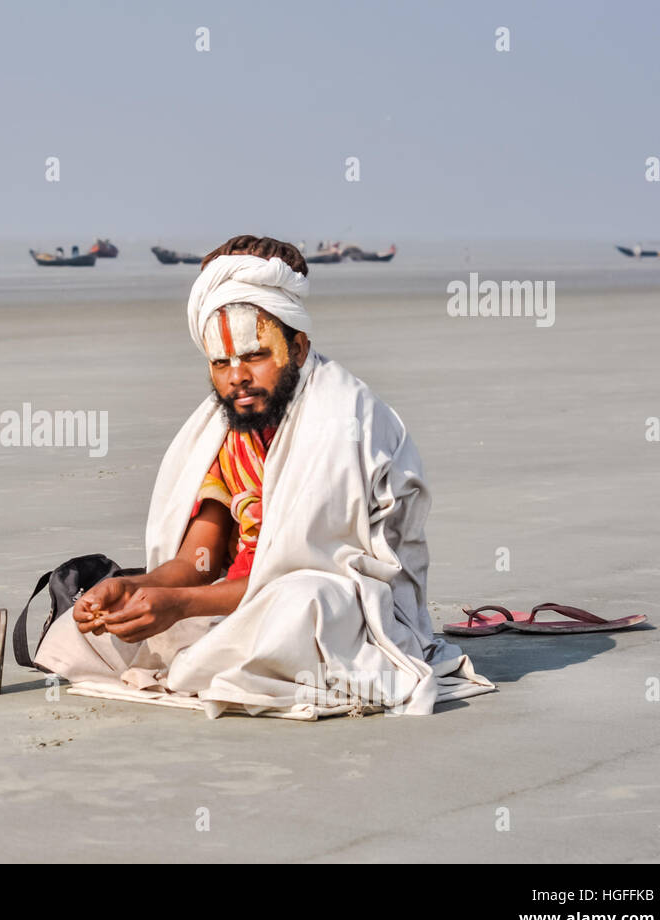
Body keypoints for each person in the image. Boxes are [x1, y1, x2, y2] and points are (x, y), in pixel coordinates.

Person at [33, 235, 496, 719]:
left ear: (297, 347)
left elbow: (306, 570)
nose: (236, 377)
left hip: (347, 604)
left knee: (300, 608)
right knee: (82, 631)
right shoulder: (225, 431)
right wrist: (141, 590)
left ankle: (216, 654)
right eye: (220, 363)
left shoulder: (341, 420)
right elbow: (201, 557)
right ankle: (210, 651)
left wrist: (181, 603)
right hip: (228, 601)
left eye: (255, 355)